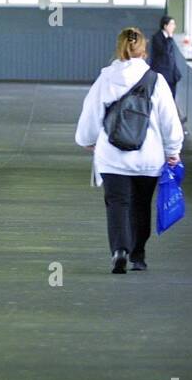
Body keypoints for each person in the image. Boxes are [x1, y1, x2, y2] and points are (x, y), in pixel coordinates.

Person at [75, 27, 184, 274]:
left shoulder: (105, 79)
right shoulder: (156, 81)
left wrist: (86, 140)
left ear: (120, 48)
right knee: (141, 205)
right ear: (144, 51)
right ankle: (138, 255)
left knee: (117, 204)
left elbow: (91, 113)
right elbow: (169, 120)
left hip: (112, 157)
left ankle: (119, 250)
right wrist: (173, 150)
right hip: (148, 159)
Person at [148, 15, 184, 96]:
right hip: (162, 73)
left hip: (171, 75)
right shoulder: (157, 37)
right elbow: (165, 51)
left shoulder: (169, 38)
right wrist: (170, 37)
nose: (174, 26)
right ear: (165, 26)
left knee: (171, 96)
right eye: (172, 24)